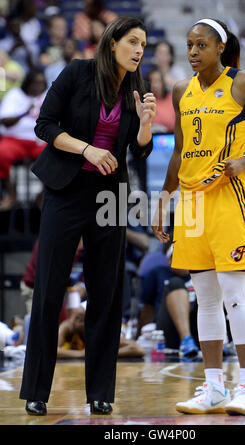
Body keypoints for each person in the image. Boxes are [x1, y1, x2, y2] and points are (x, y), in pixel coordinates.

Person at [152, 18, 245, 416]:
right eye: (189, 45)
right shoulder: (182, 90)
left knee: (233, 296)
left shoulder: (244, 84)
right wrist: (164, 199)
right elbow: (179, 153)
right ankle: (213, 388)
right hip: (192, 203)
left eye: (201, 45)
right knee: (206, 300)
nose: (193, 52)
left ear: (219, 47)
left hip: (232, 198)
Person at [19, 16, 156, 416]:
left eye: (144, 45)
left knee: (107, 295)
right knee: (49, 289)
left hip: (109, 197)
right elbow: (45, 125)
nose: (139, 50)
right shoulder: (78, 73)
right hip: (66, 192)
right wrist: (87, 150)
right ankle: (37, 392)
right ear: (112, 42)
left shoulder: (136, 89)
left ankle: (100, 393)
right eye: (133, 42)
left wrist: (145, 125)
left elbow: (140, 151)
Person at [0, 69, 48, 210]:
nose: (38, 87)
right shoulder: (15, 95)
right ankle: (11, 193)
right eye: (35, 83)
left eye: (41, 84)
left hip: (39, 140)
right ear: (27, 83)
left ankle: (43, 195)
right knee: (1, 153)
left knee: (58, 156)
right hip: (15, 140)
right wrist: (24, 113)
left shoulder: (47, 96)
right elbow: (5, 121)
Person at [57, 306, 145, 359]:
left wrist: (101, 355)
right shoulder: (68, 327)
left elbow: (137, 349)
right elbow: (54, 351)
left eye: (79, 319)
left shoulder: (100, 332)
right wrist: (81, 354)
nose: (73, 321)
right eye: (75, 317)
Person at [146, 66, 175, 133]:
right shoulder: (146, 101)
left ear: (163, 82)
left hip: (171, 136)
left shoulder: (172, 97)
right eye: (151, 81)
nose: (154, 85)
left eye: (157, 81)